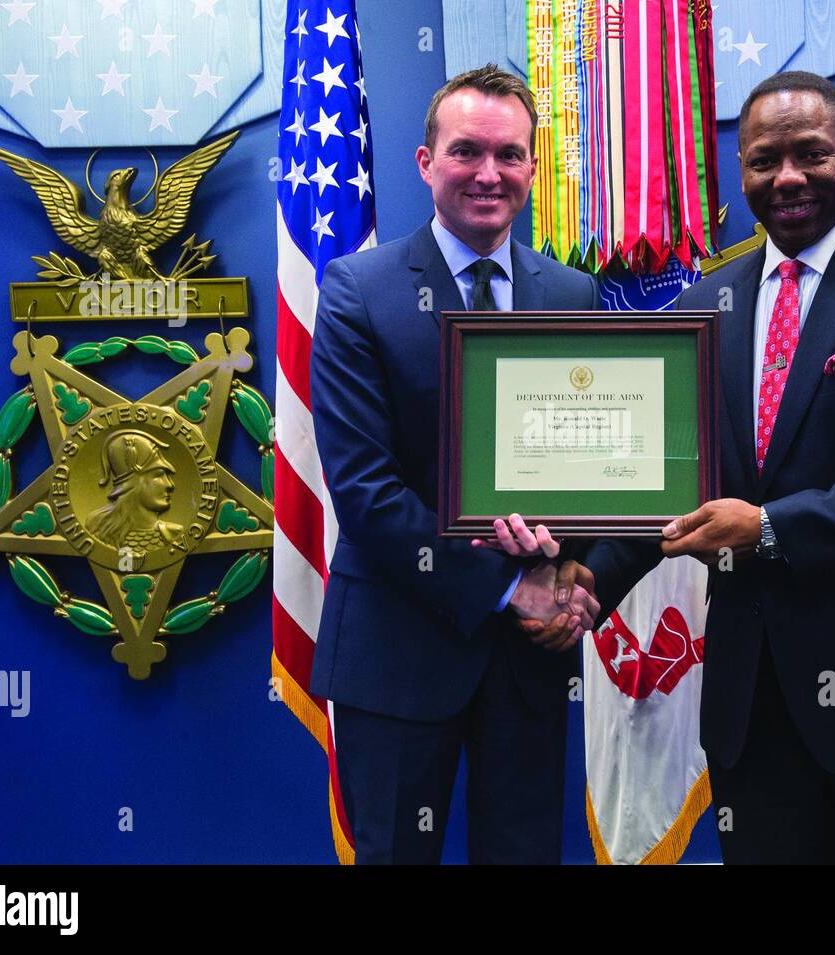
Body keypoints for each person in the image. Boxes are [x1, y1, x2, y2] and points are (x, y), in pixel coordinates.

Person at [504, 71, 835, 863]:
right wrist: (594, 576)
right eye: (765, 160)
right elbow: (671, 480)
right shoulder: (709, 302)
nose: (790, 177)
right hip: (754, 704)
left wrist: (770, 528)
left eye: (812, 154)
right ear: (740, 172)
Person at [309, 64, 601, 864]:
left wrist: (581, 576)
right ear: (424, 162)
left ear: (535, 168)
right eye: (466, 150)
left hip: (529, 660)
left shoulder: (575, 296)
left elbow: (598, 468)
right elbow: (366, 492)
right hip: (398, 650)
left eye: (509, 155)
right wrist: (511, 588)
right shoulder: (357, 291)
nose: (487, 173)